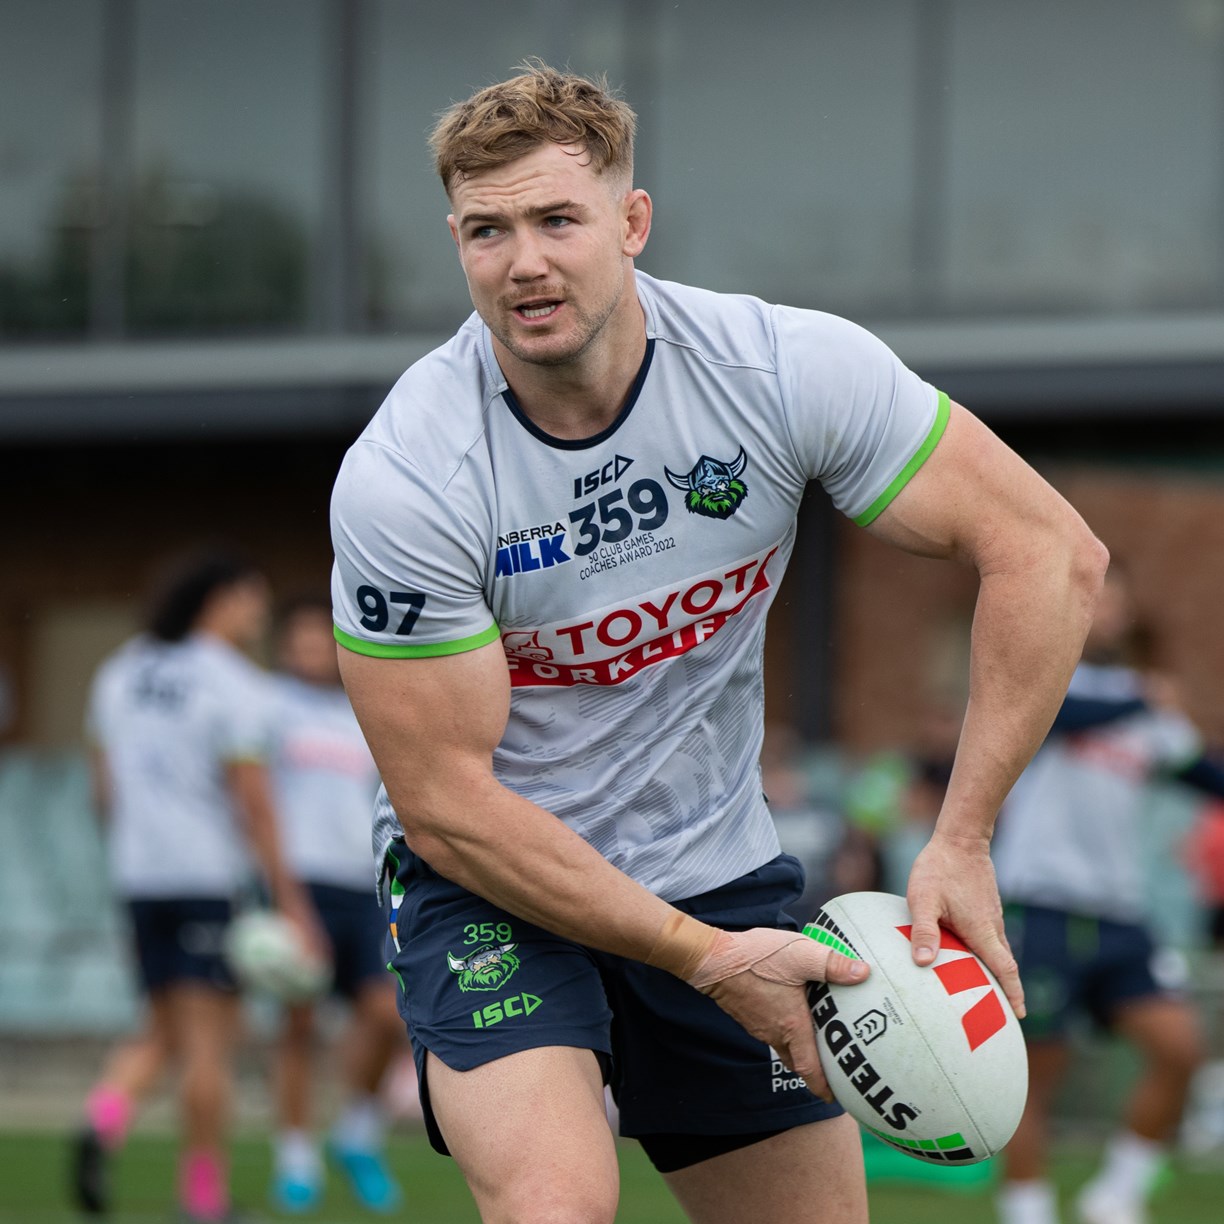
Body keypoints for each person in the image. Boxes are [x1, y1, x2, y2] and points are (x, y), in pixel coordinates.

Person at [328, 61, 1108, 1224]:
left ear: (632, 223)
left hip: (717, 865)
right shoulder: (408, 478)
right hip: (492, 888)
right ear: (457, 244)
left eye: (557, 219)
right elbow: (446, 804)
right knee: (558, 1208)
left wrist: (963, 836)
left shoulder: (784, 371)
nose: (524, 261)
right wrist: (700, 957)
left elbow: (1051, 553)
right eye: (488, 230)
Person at [70, 549, 319, 1223]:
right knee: (212, 1042)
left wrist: (130, 848)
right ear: (226, 599)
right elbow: (254, 801)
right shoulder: (235, 684)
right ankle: (203, 1199)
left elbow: (102, 787)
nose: (259, 616)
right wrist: (291, 898)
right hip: (205, 875)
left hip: (139, 875)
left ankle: (102, 1117)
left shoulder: (120, 671)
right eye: (254, 601)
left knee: (163, 1026)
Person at [992, 566, 1224, 1224]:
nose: (1105, 613)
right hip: (1043, 907)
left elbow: (1201, 773)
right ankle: (1027, 1212)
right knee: (1038, 1078)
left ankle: (1114, 1198)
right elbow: (1062, 718)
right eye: (1093, 599)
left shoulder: (1141, 703)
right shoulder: (1044, 674)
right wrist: (1146, 701)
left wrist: (1151, 705)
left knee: (1179, 1049)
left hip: (1121, 914)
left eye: (1115, 601)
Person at [265, 595, 406, 1214]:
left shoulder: (362, 709)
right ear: (283, 648)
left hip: (362, 886)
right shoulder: (267, 709)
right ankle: (295, 1161)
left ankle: (356, 1137)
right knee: (298, 1028)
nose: (312, 652)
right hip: (299, 888)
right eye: (299, 643)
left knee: (391, 1014)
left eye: (320, 641)